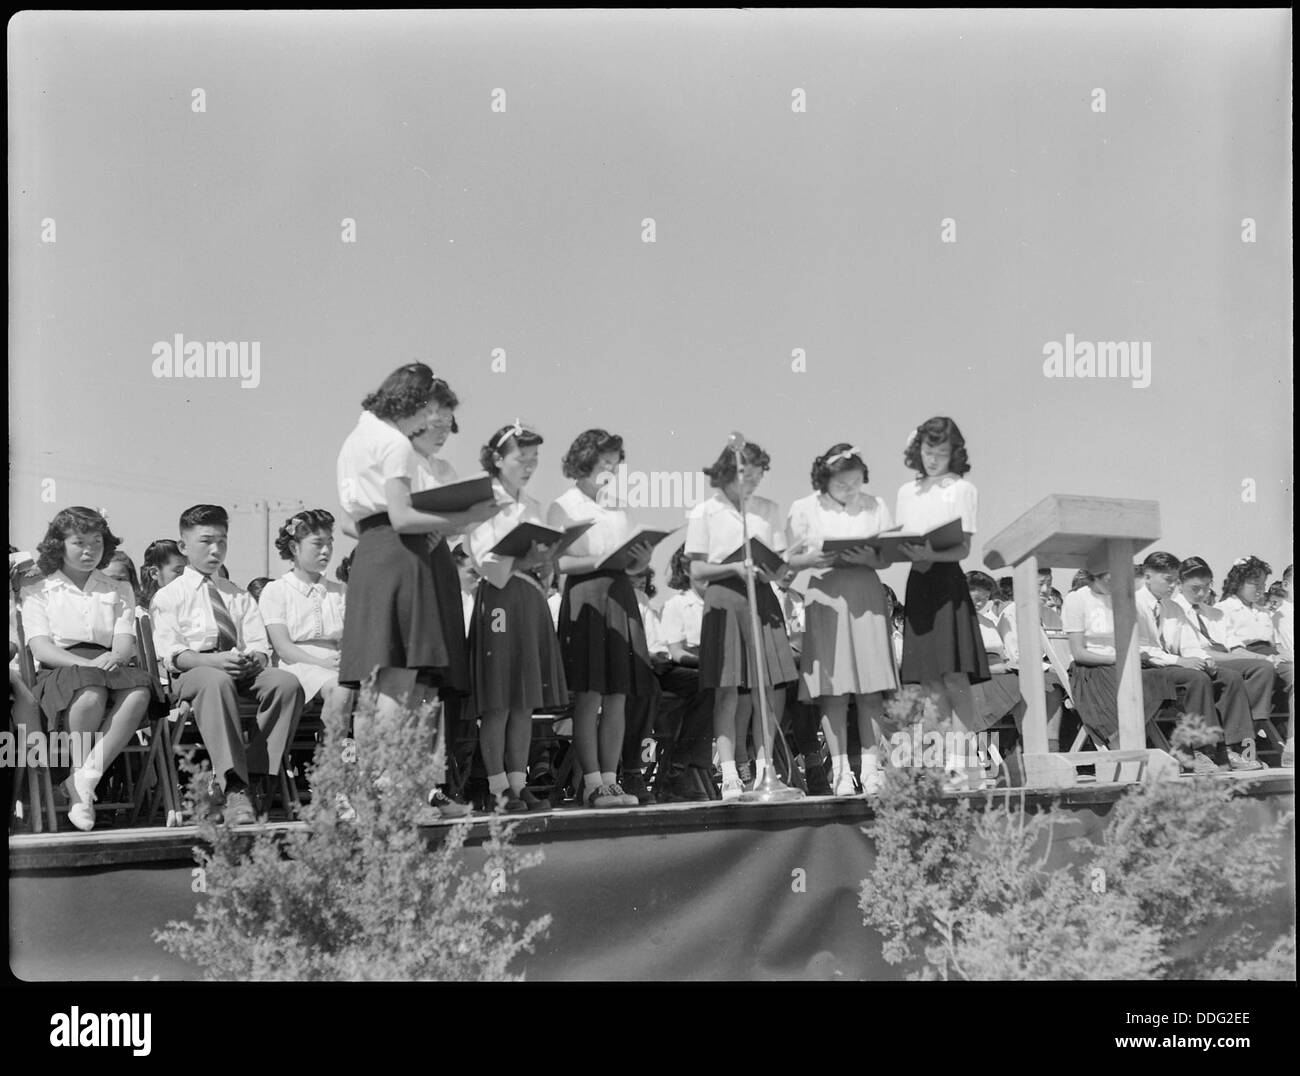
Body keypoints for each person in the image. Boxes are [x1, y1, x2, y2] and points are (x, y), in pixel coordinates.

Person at [335, 364, 497, 814]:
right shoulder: (393, 444)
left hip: (373, 554)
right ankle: (393, 792)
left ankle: (376, 790)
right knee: (399, 683)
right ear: (410, 407)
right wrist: (466, 520)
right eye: (427, 414)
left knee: (381, 684)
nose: (430, 425)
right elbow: (404, 517)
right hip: (401, 554)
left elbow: (354, 516)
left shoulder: (355, 439)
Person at [150, 504, 306, 824]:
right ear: (183, 546)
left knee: (285, 682)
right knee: (214, 679)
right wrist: (214, 661)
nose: (216, 549)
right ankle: (234, 784)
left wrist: (255, 659)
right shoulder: (169, 596)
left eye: (222, 541)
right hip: (192, 675)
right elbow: (173, 655)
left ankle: (259, 778)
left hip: (237, 670)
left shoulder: (237, 595)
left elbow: (259, 645)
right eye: (206, 541)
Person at [19, 508, 153, 831]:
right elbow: (41, 648)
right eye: (79, 542)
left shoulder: (117, 588)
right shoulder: (38, 590)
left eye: (96, 542)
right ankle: (82, 788)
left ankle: (83, 780)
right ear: (59, 545)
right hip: (61, 667)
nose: (89, 550)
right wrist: (86, 664)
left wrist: (115, 657)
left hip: (109, 662)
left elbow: (124, 642)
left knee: (139, 689)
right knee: (90, 692)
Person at [685, 438, 798, 801]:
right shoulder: (705, 511)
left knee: (769, 685)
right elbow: (698, 568)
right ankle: (730, 773)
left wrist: (782, 570)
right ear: (729, 473)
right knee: (728, 688)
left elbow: (779, 562)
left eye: (758, 476)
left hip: (761, 595)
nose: (752, 483)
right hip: (725, 595)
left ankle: (767, 768)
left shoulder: (768, 509)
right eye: (746, 475)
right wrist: (734, 566)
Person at [548, 429, 654, 809]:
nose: (610, 469)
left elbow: (633, 560)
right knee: (589, 694)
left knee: (617, 696)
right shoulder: (563, 506)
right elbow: (556, 562)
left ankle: (611, 779)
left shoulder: (619, 506)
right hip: (585, 595)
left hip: (620, 595)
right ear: (584, 461)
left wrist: (641, 559)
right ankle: (590, 782)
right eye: (604, 461)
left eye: (615, 462)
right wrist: (599, 560)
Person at [783, 443, 897, 796]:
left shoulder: (875, 504)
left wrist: (871, 554)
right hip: (826, 593)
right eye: (842, 484)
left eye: (856, 482)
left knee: (870, 686)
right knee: (832, 688)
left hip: (865, 590)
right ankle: (842, 771)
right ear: (825, 479)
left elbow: (888, 557)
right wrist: (812, 558)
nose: (850, 490)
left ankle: (872, 768)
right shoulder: (803, 508)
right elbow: (789, 558)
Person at [466, 422, 567, 813]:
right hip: (499, 599)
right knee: (499, 699)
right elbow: (485, 562)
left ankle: (519, 782)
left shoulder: (534, 506)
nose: (528, 466)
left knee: (524, 700)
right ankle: (496, 787)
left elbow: (543, 562)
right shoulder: (483, 503)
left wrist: (545, 560)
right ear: (497, 459)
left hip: (530, 597)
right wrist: (521, 557)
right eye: (520, 459)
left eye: (534, 459)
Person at [894, 418, 989, 767]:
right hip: (917, 581)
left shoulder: (962, 489)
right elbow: (902, 539)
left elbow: (963, 548)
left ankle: (966, 754)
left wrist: (931, 553)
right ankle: (945, 755)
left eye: (942, 453)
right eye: (927, 451)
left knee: (954, 674)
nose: (933, 459)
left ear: (955, 454)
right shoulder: (907, 491)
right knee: (930, 678)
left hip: (947, 581)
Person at [1136, 552, 1262, 771]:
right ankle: (1202, 751)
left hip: (1173, 666)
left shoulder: (1172, 608)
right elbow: (1141, 649)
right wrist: (1180, 660)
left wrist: (1204, 658)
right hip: (1146, 669)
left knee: (1229, 677)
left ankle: (1237, 749)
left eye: (1175, 581)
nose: (1172, 586)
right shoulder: (1133, 605)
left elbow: (1189, 643)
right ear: (1147, 577)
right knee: (1196, 678)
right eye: (1168, 580)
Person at [1062, 569, 1184, 758]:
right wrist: (1119, 660)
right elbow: (1079, 653)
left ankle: (1128, 737)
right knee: (1135, 680)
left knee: (1161, 676)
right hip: (1091, 668)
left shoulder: (1118, 600)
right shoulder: (1078, 599)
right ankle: (1121, 740)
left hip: (1120, 663)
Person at [258, 510, 354, 728]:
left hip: (339, 665)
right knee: (341, 691)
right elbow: (283, 648)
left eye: (330, 543)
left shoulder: (341, 591)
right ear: (294, 547)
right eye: (317, 544)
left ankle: (358, 757)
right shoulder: (276, 591)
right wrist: (323, 663)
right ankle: (333, 757)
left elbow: (351, 639)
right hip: (298, 666)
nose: (326, 551)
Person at [1172, 556, 1278, 725]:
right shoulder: (1173, 610)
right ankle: (1243, 724)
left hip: (1224, 658)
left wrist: (1263, 658)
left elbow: (1234, 647)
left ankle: (1252, 722)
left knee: (1263, 668)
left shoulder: (1215, 613)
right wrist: (1261, 658)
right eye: (1195, 588)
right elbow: (1195, 651)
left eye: (1207, 587)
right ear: (1179, 585)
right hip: (1199, 661)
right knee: (1258, 668)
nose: (1202, 593)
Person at [653, 545, 716, 801]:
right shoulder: (676, 604)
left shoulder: (719, 603)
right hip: (683, 668)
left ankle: (689, 769)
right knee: (707, 687)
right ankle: (679, 767)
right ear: (687, 570)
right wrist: (709, 663)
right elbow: (676, 652)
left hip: (715, 669)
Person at [139, 539, 186, 616]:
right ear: (154, 573)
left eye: (187, 571)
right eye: (178, 571)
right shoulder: (140, 614)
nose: (185, 577)